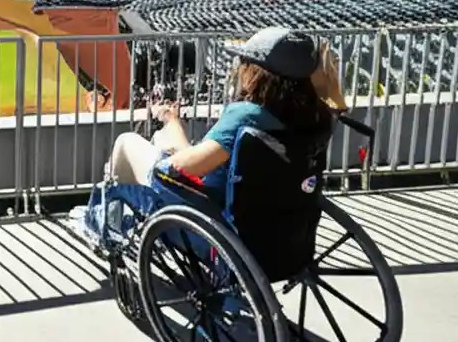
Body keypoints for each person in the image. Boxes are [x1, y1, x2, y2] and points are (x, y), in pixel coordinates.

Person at [105, 27, 339, 207]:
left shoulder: (247, 116)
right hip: (280, 231)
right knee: (163, 138)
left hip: (216, 222)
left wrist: (166, 156)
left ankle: (110, 223)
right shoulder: (319, 117)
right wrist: (173, 125)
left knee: (127, 143)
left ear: (256, 73)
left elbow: (181, 169)